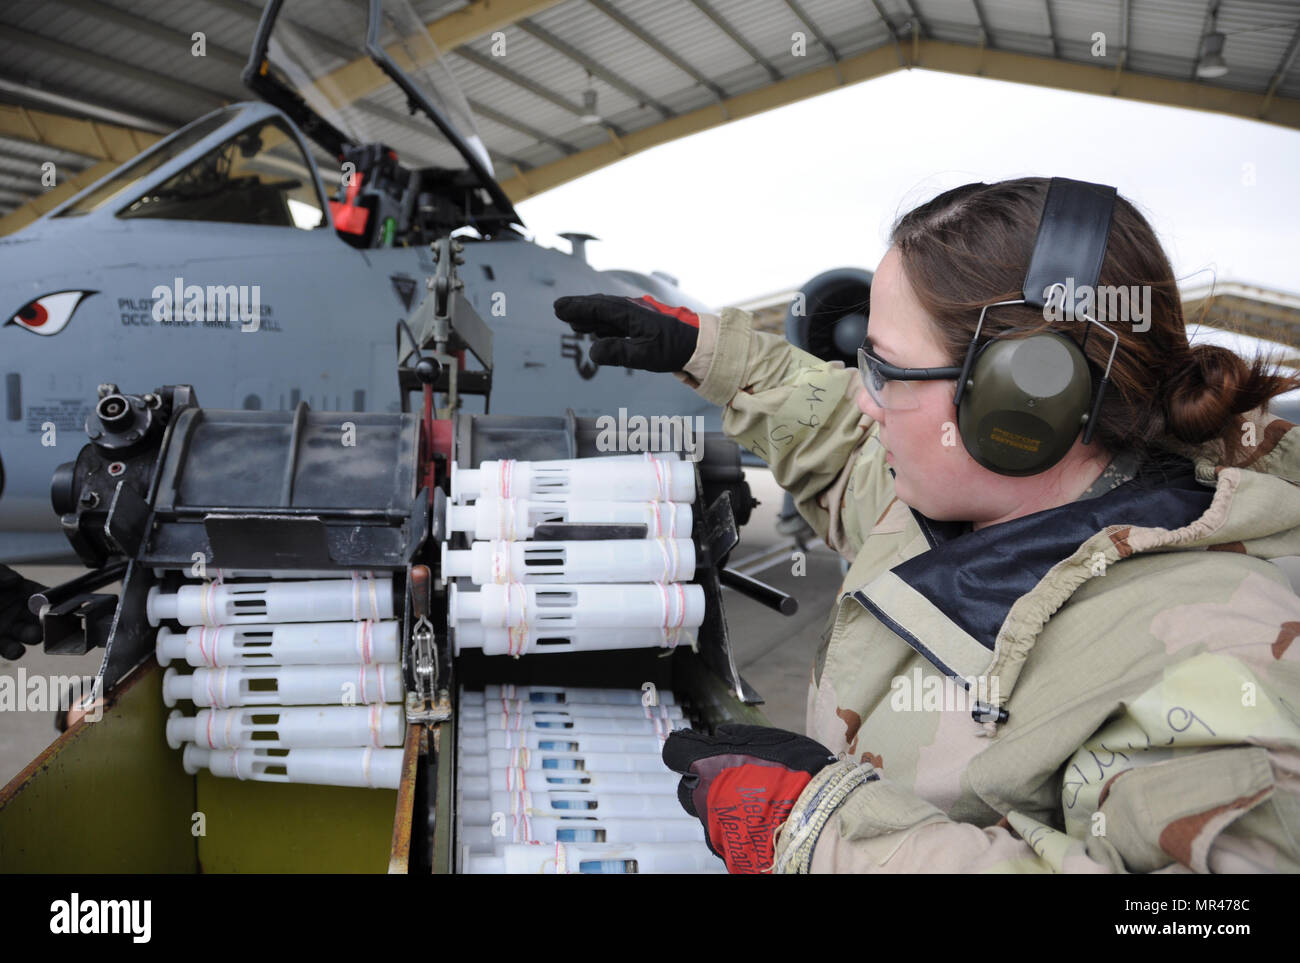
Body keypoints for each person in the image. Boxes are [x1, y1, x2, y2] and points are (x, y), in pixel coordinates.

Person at [553, 176, 1300, 874]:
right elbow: (840, 435)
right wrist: (708, 354)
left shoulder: (1221, 646)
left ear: (1017, 403)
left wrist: (824, 835)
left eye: (885, 370)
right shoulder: (953, 497)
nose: (866, 400)